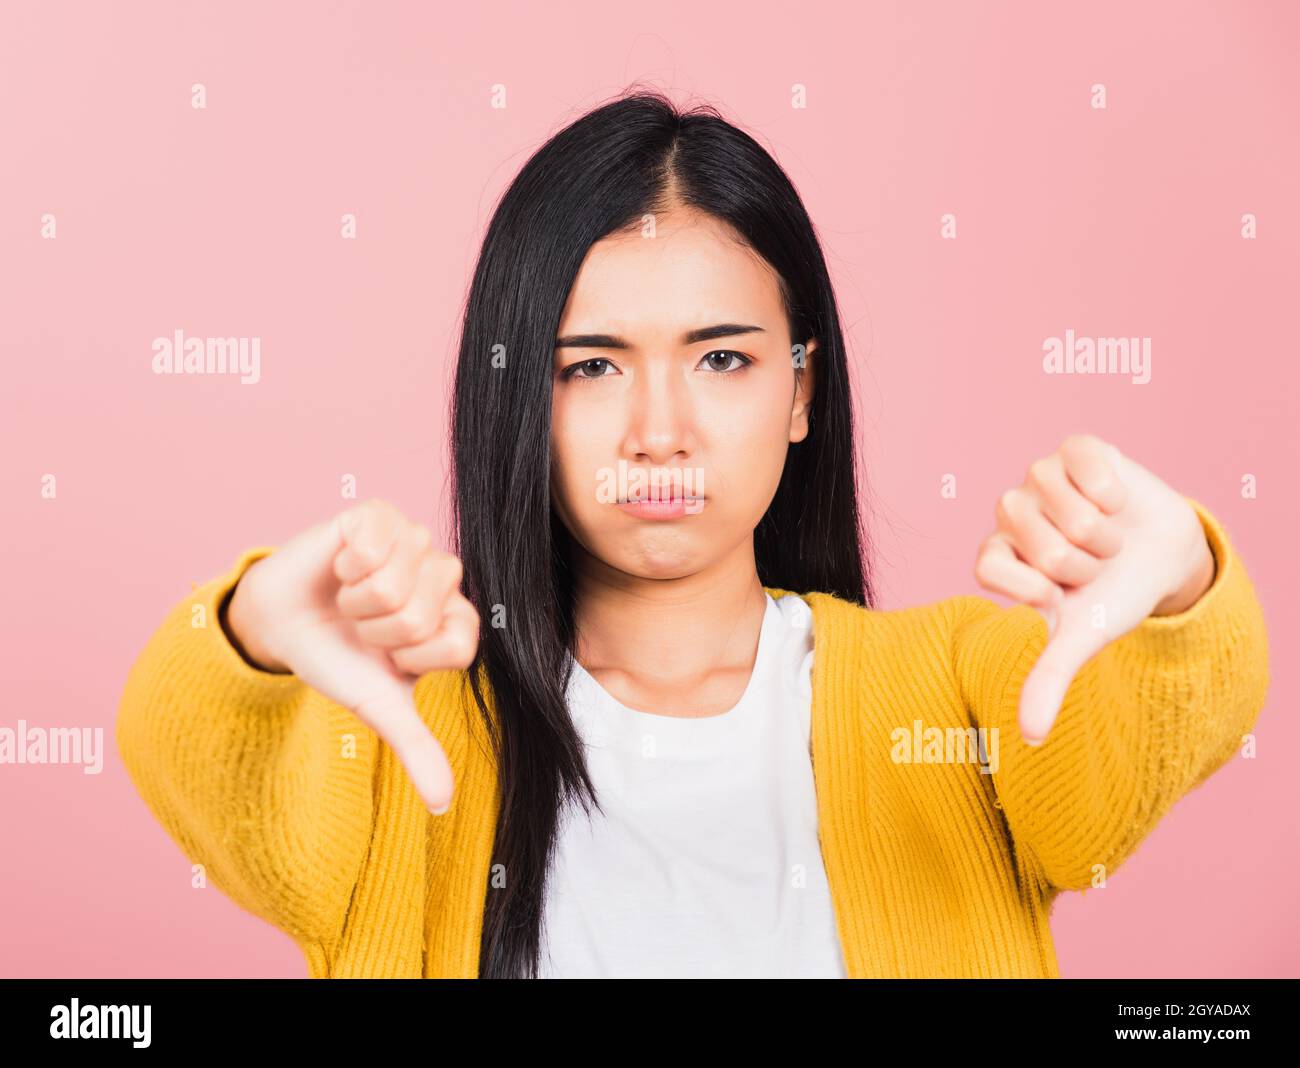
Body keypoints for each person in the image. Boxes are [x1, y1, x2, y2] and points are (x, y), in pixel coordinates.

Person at [115, 90, 1270, 979]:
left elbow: (1110, 777)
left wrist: (1176, 595)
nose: (658, 432)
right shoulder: (405, 732)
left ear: (803, 389)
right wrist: (250, 638)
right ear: (516, 392)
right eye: (591, 366)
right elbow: (200, 761)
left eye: (722, 358)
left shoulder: (957, 691)